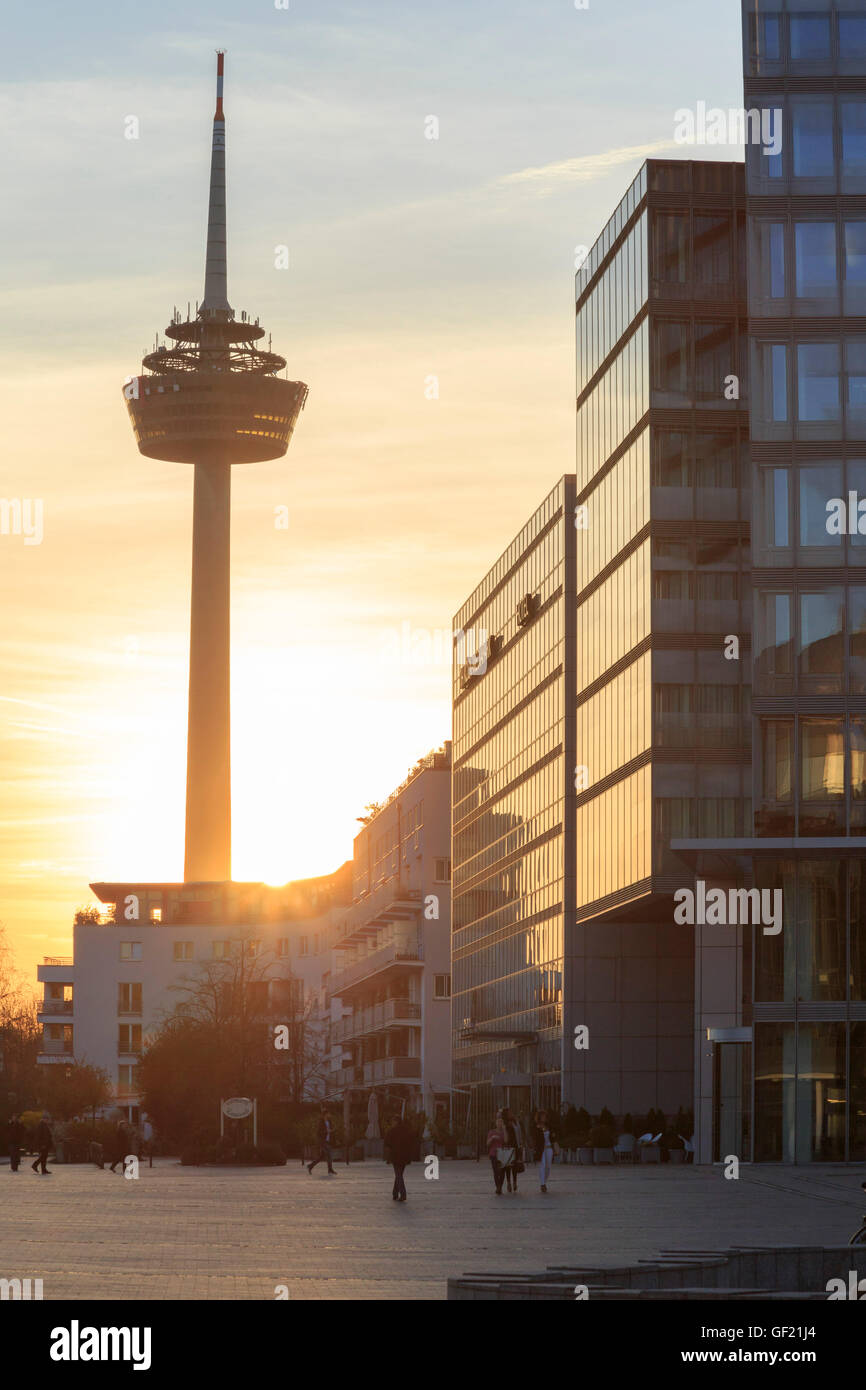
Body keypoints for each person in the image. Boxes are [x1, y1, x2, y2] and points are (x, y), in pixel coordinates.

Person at [384, 1113, 415, 1202]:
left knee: (398, 1175)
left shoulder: (391, 1131)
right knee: (399, 1175)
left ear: (396, 1121)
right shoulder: (407, 1130)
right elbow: (412, 1142)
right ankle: (394, 1193)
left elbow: (387, 1144)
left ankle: (403, 1194)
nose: (392, 1123)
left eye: (393, 1121)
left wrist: (387, 1157)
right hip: (405, 1157)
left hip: (396, 1156)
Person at [531, 1109, 558, 1193]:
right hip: (541, 1149)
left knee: (548, 1167)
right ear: (539, 1117)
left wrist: (555, 1145)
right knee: (542, 1165)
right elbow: (534, 1138)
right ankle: (542, 1184)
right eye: (542, 1116)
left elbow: (554, 1137)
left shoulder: (549, 1126)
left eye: (545, 1116)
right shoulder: (536, 1127)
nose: (544, 1117)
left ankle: (544, 1181)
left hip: (549, 1148)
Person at [307, 1105, 337, 1176]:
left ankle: (310, 1166)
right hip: (322, 1141)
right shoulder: (321, 1122)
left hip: (327, 1140)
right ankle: (330, 1170)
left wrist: (332, 1131)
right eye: (328, 1113)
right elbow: (319, 1132)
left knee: (322, 1156)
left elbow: (330, 1130)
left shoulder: (329, 1121)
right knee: (329, 1154)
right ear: (325, 1114)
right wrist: (327, 1131)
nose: (330, 1115)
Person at [501, 1107, 524, 1194]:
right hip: (508, 1146)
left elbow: (519, 1133)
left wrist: (521, 1144)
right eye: (509, 1112)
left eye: (511, 1112)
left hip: (516, 1146)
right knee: (507, 1166)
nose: (511, 1113)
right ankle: (508, 1183)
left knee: (515, 1165)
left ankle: (514, 1182)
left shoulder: (516, 1121)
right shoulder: (505, 1123)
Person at [486, 1110, 507, 1195]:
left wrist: (504, 1130)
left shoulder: (503, 1132)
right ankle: (498, 1187)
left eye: (501, 1122)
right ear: (496, 1123)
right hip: (493, 1154)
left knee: (502, 1171)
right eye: (498, 1122)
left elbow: (506, 1141)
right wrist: (493, 1138)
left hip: (502, 1154)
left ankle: (500, 1187)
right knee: (496, 1171)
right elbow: (487, 1144)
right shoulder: (491, 1132)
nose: (499, 1124)